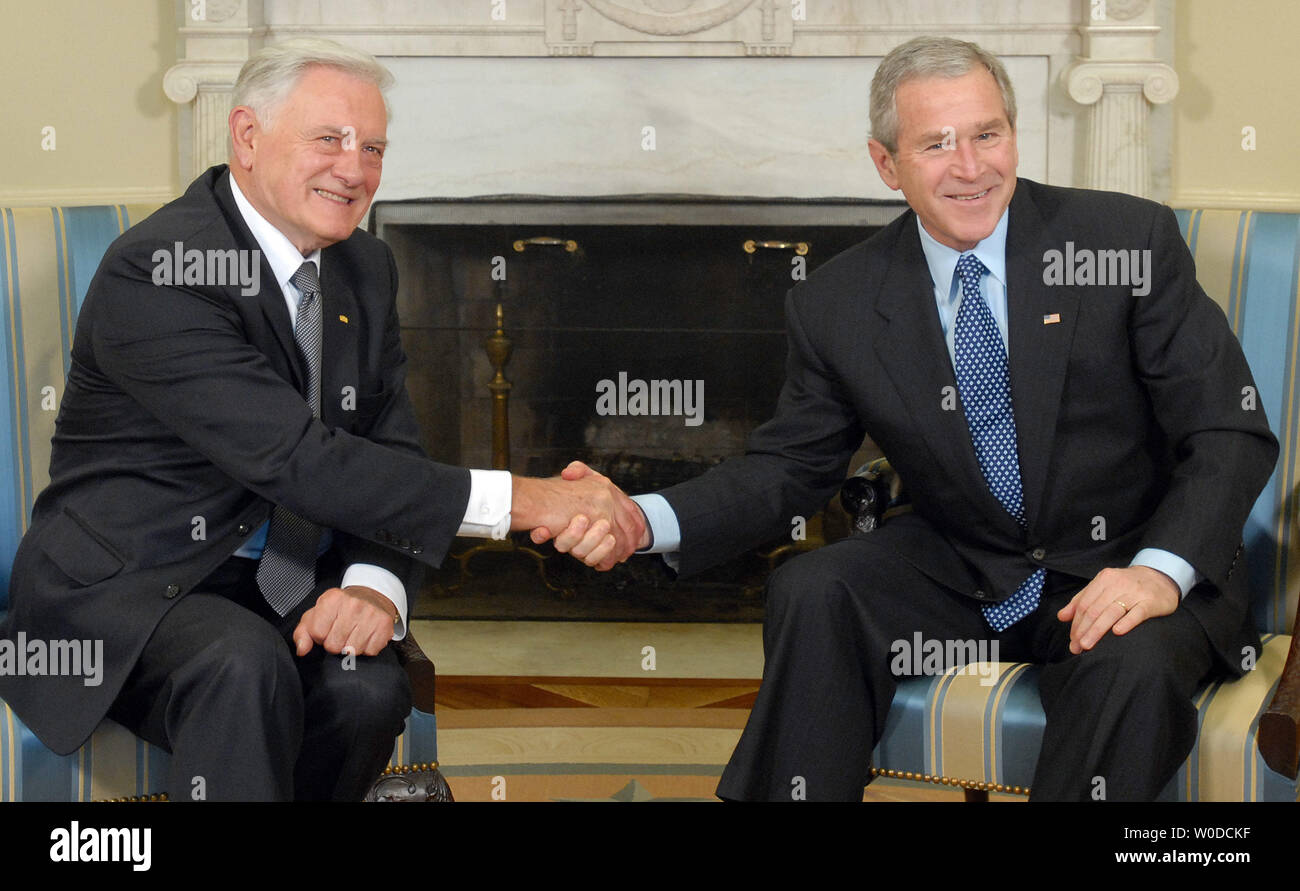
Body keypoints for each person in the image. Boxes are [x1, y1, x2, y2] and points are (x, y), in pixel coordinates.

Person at [538, 36, 1279, 801]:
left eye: (988, 134)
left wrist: (1162, 573)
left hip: (1125, 559)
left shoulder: (1124, 242)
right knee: (814, 587)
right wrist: (638, 516)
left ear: (1013, 135)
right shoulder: (838, 302)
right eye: (937, 144)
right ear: (885, 164)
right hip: (964, 568)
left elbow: (1229, 429)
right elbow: (788, 469)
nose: (971, 167)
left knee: (1131, 665)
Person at [0, 38, 644, 801]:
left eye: (372, 147)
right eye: (330, 139)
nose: (355, 169)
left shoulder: (363, 267)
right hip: (132, 586)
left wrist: (374, 586)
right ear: (246, 136)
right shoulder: (162, 268)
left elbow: (388, 448)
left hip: (290, 585)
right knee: (244, 662)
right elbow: (299, 459)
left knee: (369, 691)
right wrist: (532, 500)